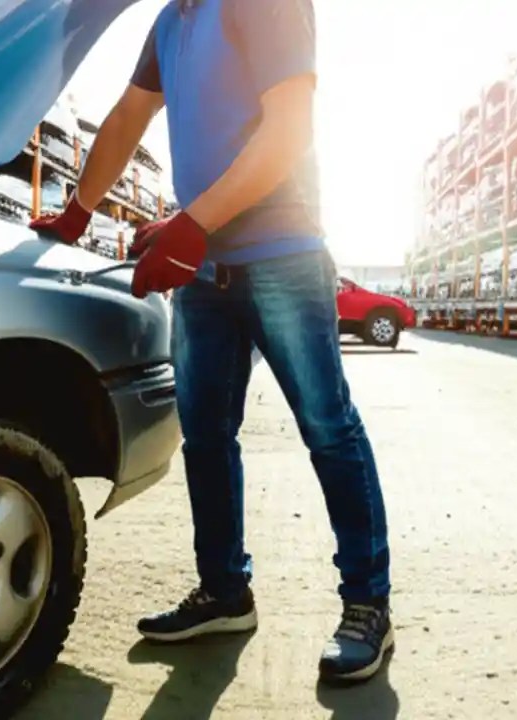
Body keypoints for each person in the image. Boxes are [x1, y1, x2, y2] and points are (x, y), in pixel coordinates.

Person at [30, 0, 392, 684]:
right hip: (203, 271)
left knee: (328, 427)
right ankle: (225, 592)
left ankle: (367, 604)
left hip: (282, 254)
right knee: (205, 435)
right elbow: (127, 118)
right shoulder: (170, 23)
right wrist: (78, 214)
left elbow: (289, 130)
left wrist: (190, 224)